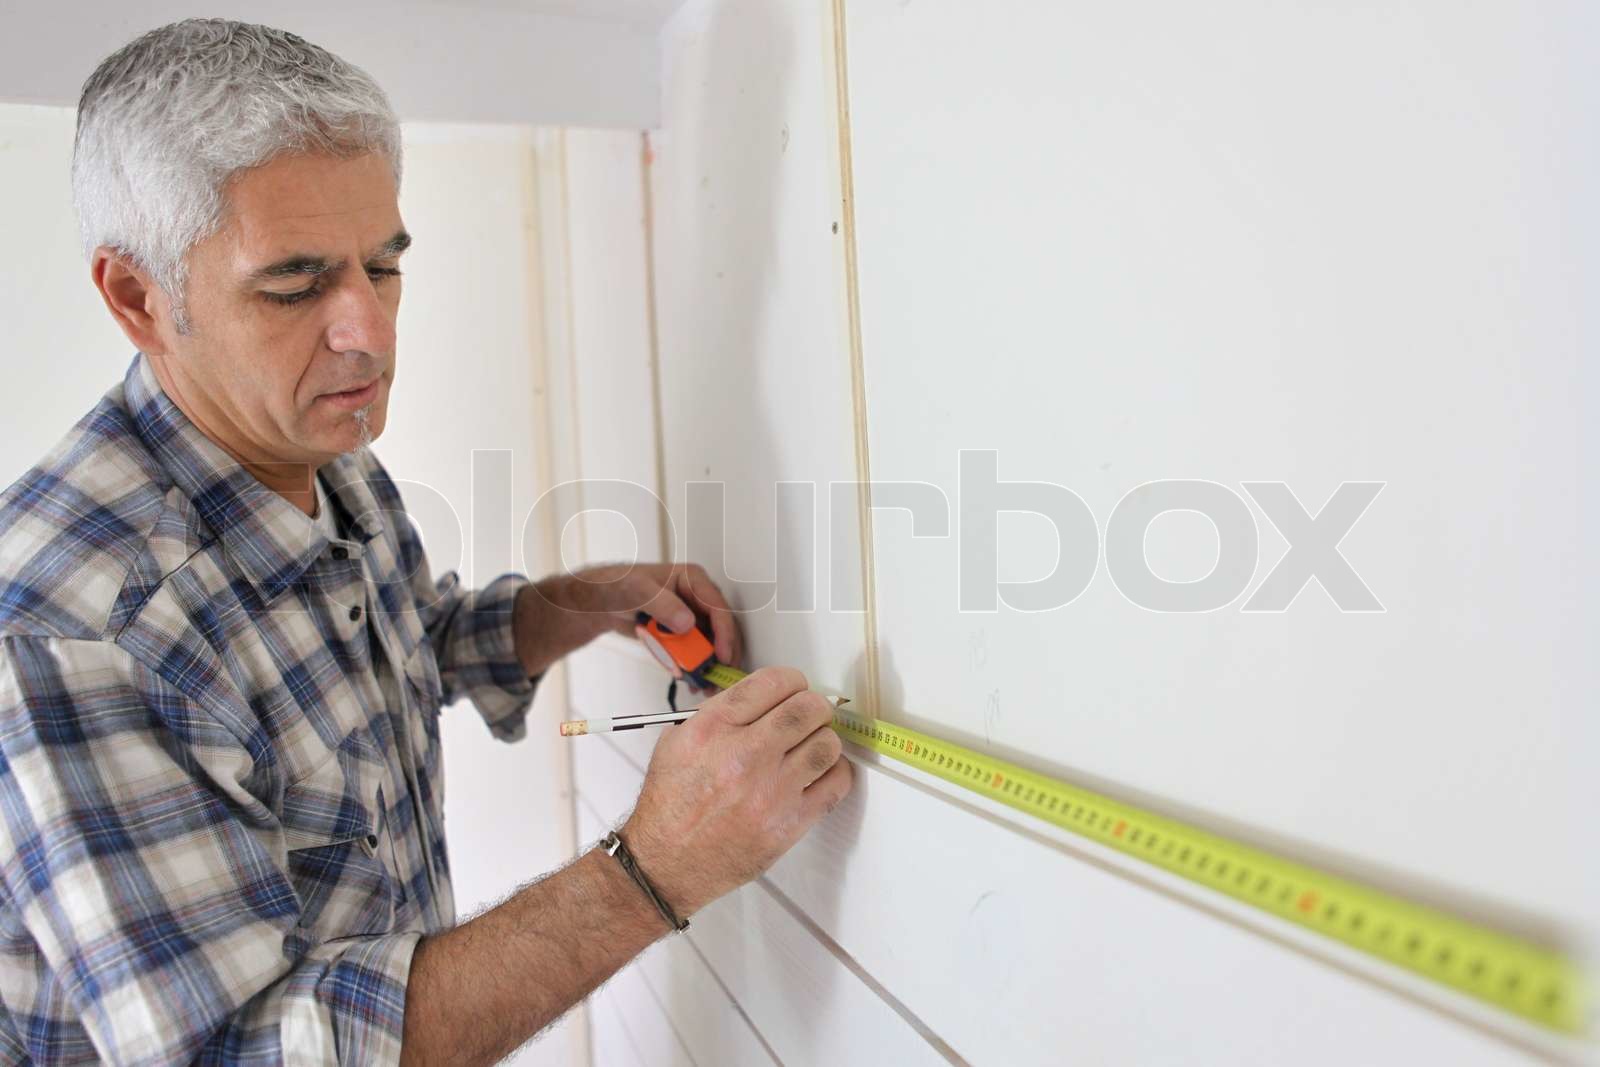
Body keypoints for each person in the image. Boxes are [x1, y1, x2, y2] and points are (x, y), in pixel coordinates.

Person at [0, 18, 853, 1065]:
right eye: (295, 284)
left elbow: (399, 644)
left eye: (383, 265)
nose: (370, 332)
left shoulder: (314, 445)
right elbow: (237, 1054)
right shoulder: (78, 633)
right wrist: (654, 867)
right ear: (139, 298)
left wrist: (575, 602)